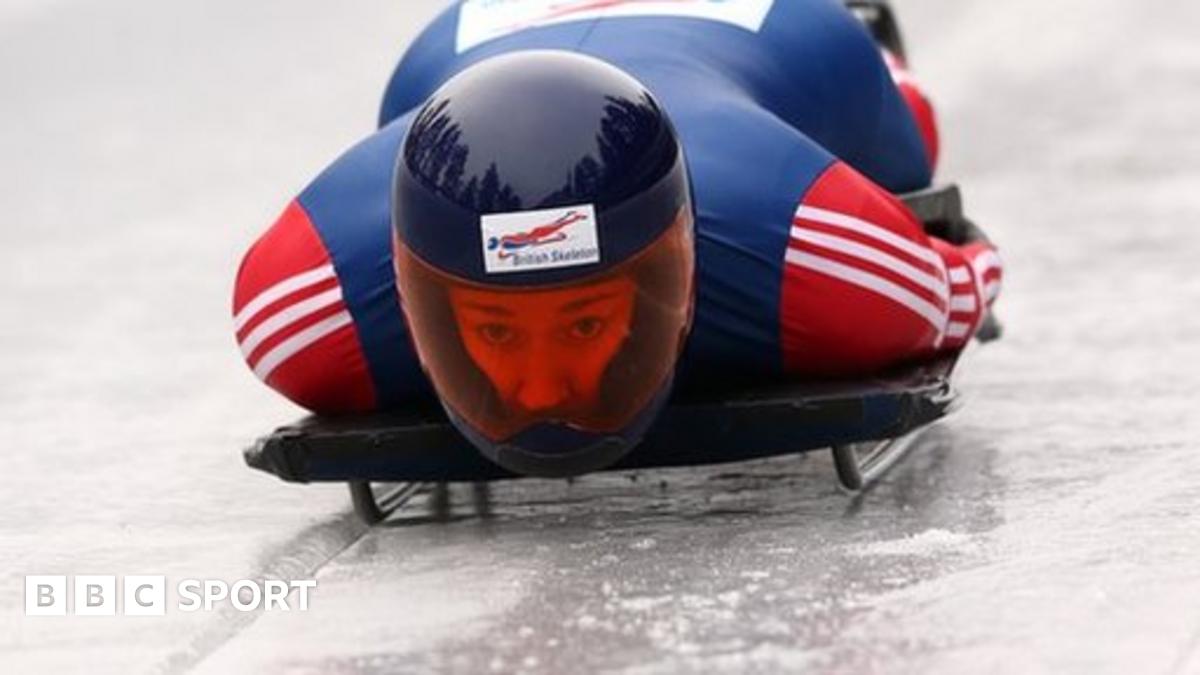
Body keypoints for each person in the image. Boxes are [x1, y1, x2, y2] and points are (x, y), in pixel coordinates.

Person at [232, 0, 1003, 476]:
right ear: (405, 281)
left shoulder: (809, 246)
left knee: (906, 139)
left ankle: (883, 57)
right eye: (494, 325)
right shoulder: (304, 304)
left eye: (586, 320)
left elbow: (959, 273)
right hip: (451, 53)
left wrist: (925, 257)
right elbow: (971, 272)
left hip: (790, 31)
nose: (540, 394)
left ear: (686, 260)